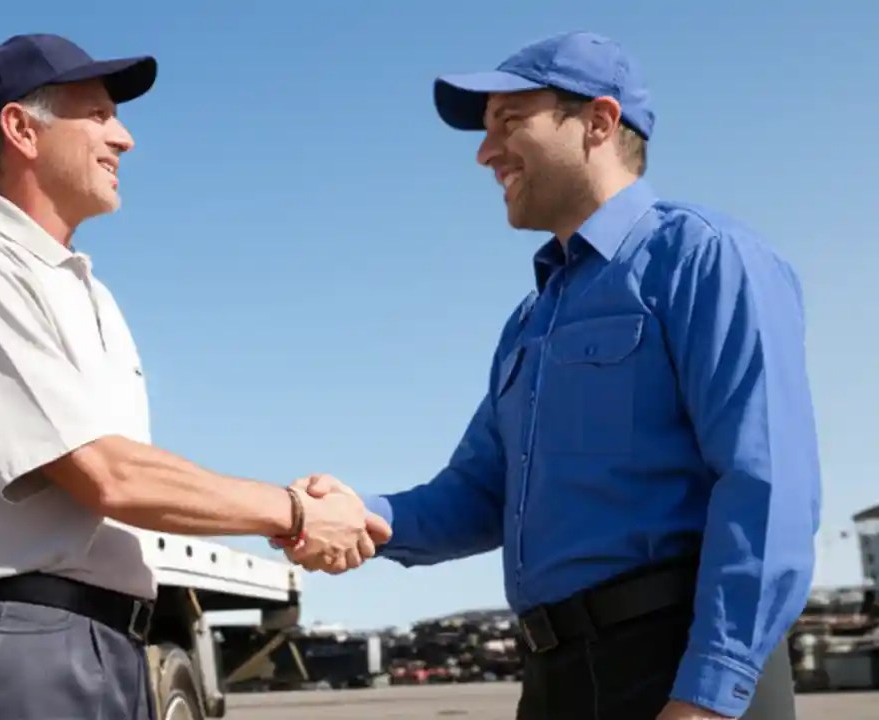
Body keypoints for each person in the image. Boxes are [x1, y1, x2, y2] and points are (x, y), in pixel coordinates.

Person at [289, 30, 818, 720]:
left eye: (509, 122)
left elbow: (766, 486)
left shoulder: (705, 260)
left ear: (598, 121)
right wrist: (360, 515)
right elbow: (479, 492)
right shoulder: (531, 319)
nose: (485, 152)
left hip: (676, 669)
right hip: (556, 678)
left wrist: (708, 697)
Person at [0, 33, 389, 720]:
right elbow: (109, 475)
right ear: (20, 129)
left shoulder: (86, 291)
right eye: (96, 114)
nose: (122, 138)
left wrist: (296, 512)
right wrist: (295, 513)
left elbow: (127, 472)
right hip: (28, 641)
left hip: (104, 639)